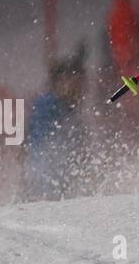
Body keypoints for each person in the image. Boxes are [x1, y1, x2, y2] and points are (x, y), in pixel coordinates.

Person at [23, 43, 90, 200]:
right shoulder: (47, 107)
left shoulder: (69, 111)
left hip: (60, 192)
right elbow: (41, 157)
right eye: (76, 83)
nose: (81, 90)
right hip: (46, 196)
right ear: (61, 82)